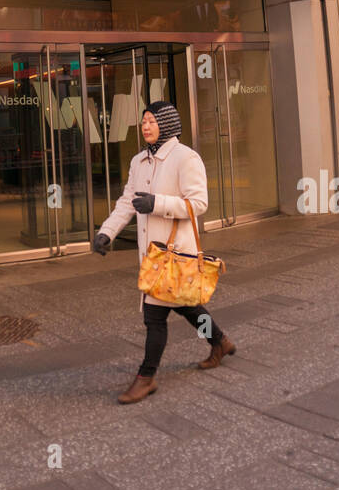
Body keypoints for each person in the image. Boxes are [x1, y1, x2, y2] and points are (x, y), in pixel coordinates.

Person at [91, 100, 234, 403]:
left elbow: (198, 204)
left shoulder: (186, 158)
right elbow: (127, 202)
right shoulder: (138, 161)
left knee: (154, 318)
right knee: (187, 307)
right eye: (143, 121)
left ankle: (146, 378)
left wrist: (158, 204)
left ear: (167, 124)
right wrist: (106, 232)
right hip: (152, 256)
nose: (145, 126)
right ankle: (219, 341)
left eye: (152, 121)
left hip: (175, 254)